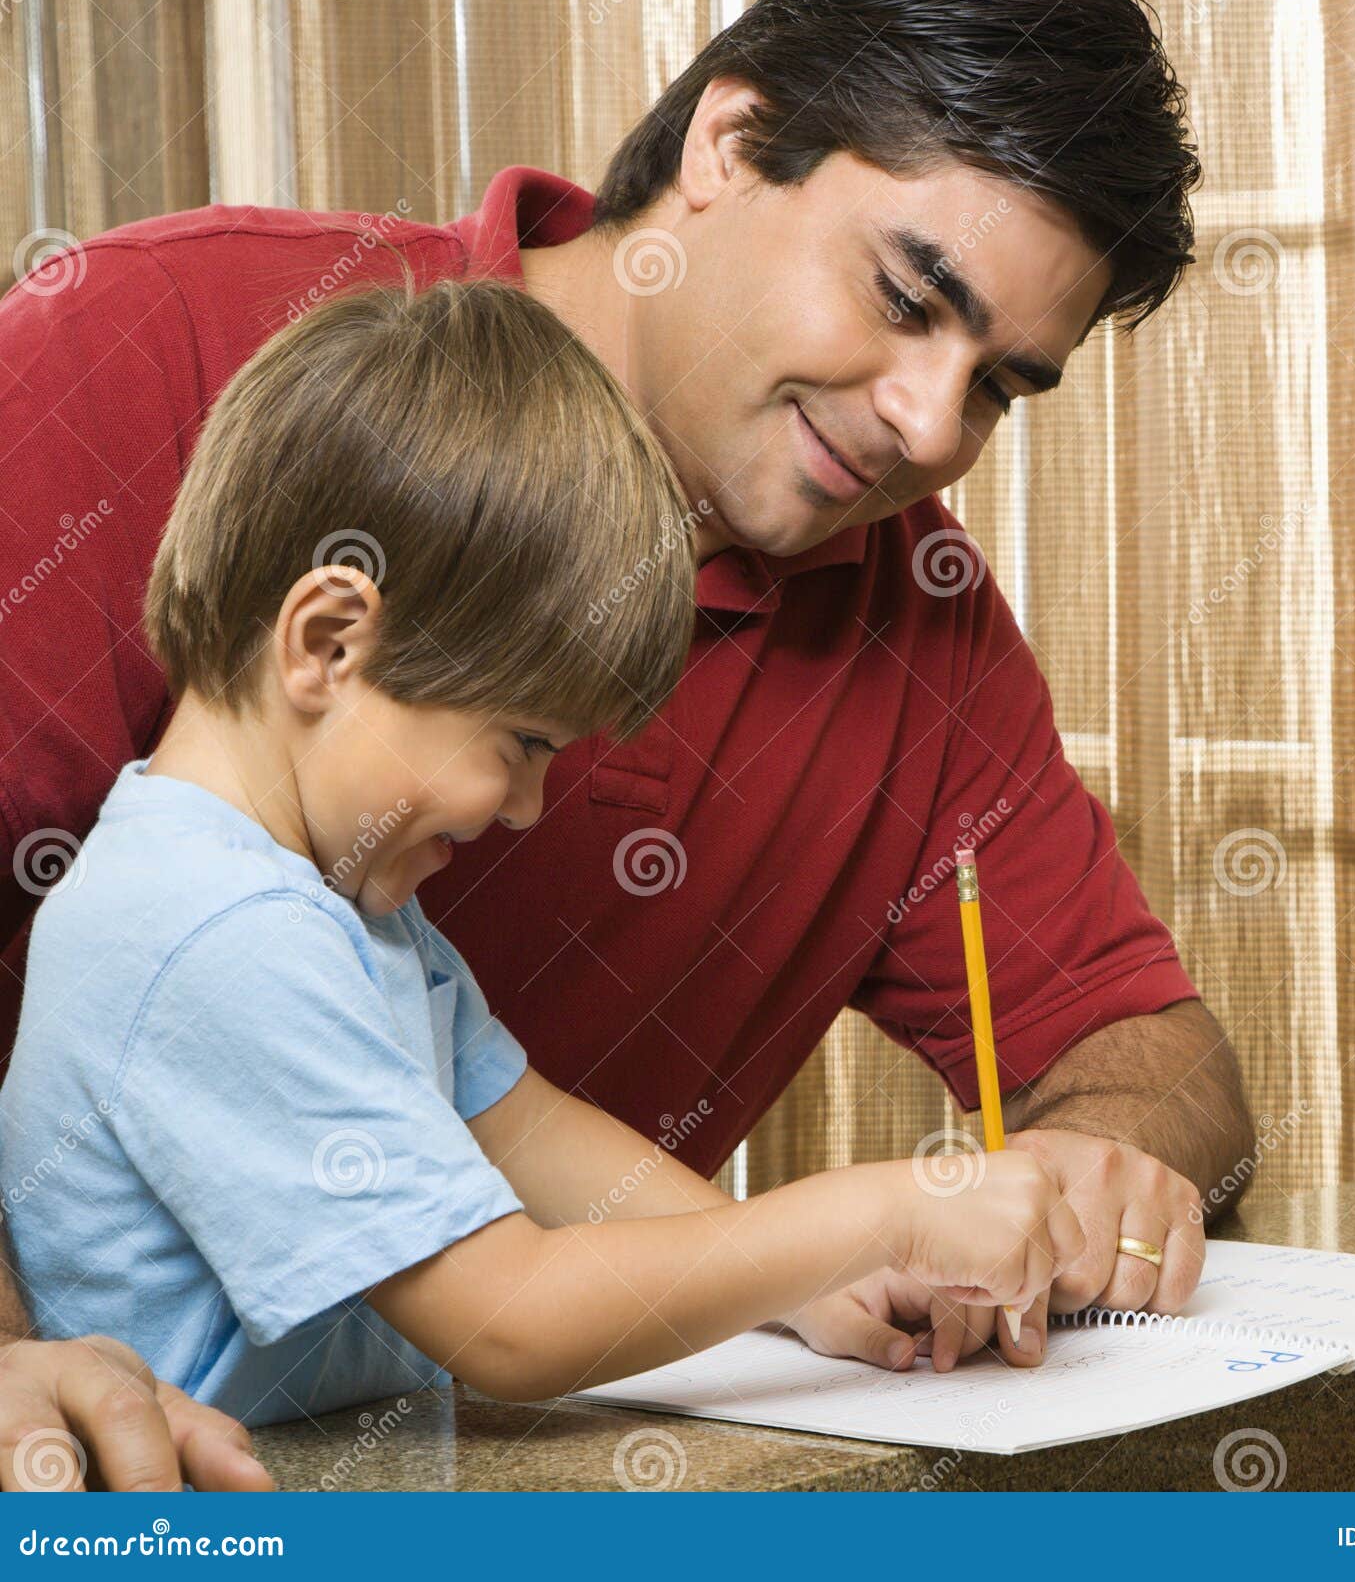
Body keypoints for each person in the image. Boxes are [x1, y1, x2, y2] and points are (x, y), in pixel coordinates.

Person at [0, 0, 1251, 1487]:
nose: (934, 427)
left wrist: (1075, 1179)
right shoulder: (144, 344)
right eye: (904, 297)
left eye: (1000, 385)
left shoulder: (916, 622)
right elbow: (506, 1308)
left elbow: (1146, 1047)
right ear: (728, 143)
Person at [0, 275, 1083, 1469]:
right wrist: (872, 1216)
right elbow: (505, 1318)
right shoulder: (218, 929)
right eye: (520, 743)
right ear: (328, 642)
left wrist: (809, 1286)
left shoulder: (341, 904)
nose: (523, 806)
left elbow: (534, 1135)